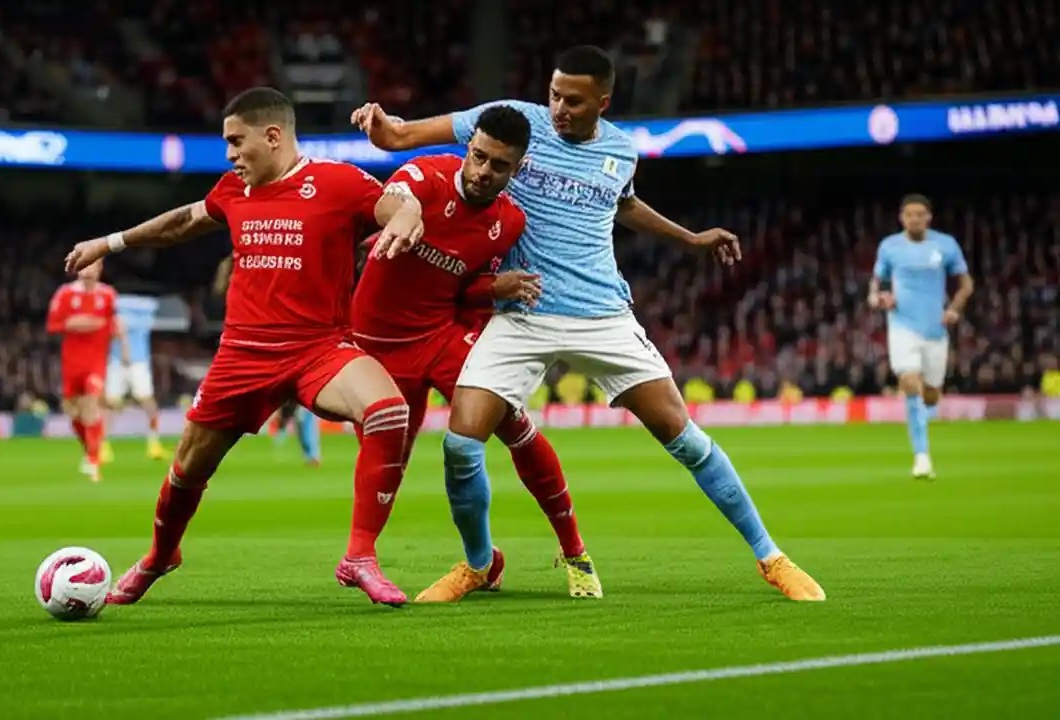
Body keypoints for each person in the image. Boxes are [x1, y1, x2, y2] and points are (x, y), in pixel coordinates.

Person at [353, 45, 824, 601]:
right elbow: (408, 137)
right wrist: (385, 129)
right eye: (554, 95)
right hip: (522, 316)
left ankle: (771, 557)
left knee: (685, 439)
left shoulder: (622, 151)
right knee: (460, 444)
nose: (558, 109)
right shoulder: (517, 121)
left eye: (573, 101)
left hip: (602, 314)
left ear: (603, 101)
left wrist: (690, 239)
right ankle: (479, 563)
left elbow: (623, 205)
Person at [65, 87, 412, 607]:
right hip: (244, 355)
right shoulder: (233, 190)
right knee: (187, 470)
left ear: (272, 136)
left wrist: (405, 220)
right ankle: (161, 555)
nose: (229, 154)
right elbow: (182, 222)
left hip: (320, 349)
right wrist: (110, 243)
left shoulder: (338, 182)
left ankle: (360, 555)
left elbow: (396, 206)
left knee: (388, 411)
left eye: (235, 141)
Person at [352, 105, 601, 600]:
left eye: (500, 165)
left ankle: (575, 551)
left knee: (513, 424)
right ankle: (467, 562)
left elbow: (461, 290)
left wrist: (495, 285)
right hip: (375, 348)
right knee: (386, 463)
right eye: (479, 157)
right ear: (468, 149)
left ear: (519, 167)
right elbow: (397, 193)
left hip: (440, 337)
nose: (485, 172)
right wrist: (402, 212)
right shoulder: (427, 176)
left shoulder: (508, 223)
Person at [868, 194, 974, 479]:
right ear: (902, 218)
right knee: (909, 381)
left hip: (935, 330)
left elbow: (966, 283)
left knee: (931, 394)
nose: (914, 218)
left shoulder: (945, 245)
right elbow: (876, 284)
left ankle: (922, 419)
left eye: (920, 214)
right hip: (902, 325)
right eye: (909, 214)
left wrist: (954, 309)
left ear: (929, 217)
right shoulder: (889, 247)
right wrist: (877, 297)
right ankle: (922, 456)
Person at [47, 259, 118, 482]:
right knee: (73, 412)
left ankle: (94, 464)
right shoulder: (65, 294)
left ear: (99, 269)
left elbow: (112, 324)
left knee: (91, 404)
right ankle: (91, 448)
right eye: (84, 265)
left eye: (92, 265)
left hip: (96, 361)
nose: (88, 270)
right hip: (72, 362)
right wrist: (74, 323)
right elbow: (52, 325)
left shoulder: (108, 295)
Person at [104, 293, 169, 461]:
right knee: (111, 403)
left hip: (138, 361)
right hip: (117, 361)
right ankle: (102, 446)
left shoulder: (145, 311)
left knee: (146, 400)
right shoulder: (114, 310)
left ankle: (154, 443)